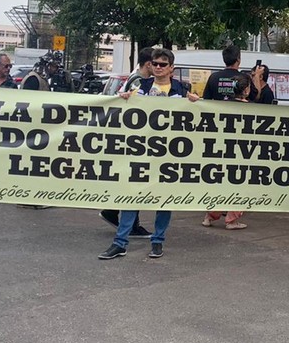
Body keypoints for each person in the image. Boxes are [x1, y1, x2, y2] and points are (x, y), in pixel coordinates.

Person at [98, 48, 200, 260]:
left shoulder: (181, 91)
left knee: (163, 199)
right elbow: (128, 110)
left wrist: (195, 104)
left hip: (168, 155)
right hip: (141, 152)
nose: (158, 67)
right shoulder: (141, 87)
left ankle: (157, 241)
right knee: (131, 195)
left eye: (163, 64)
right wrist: (123, 99)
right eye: (155, 63)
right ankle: (120, 242)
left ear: (171, 68)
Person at [204, 75, 252, 230]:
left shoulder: (222, 105)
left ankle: (210, 217)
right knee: (240, 185)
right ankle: (232, 220)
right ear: (246, 90)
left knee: (221, 183)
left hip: (223, 150)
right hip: (242, 152)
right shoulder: (252, 108)